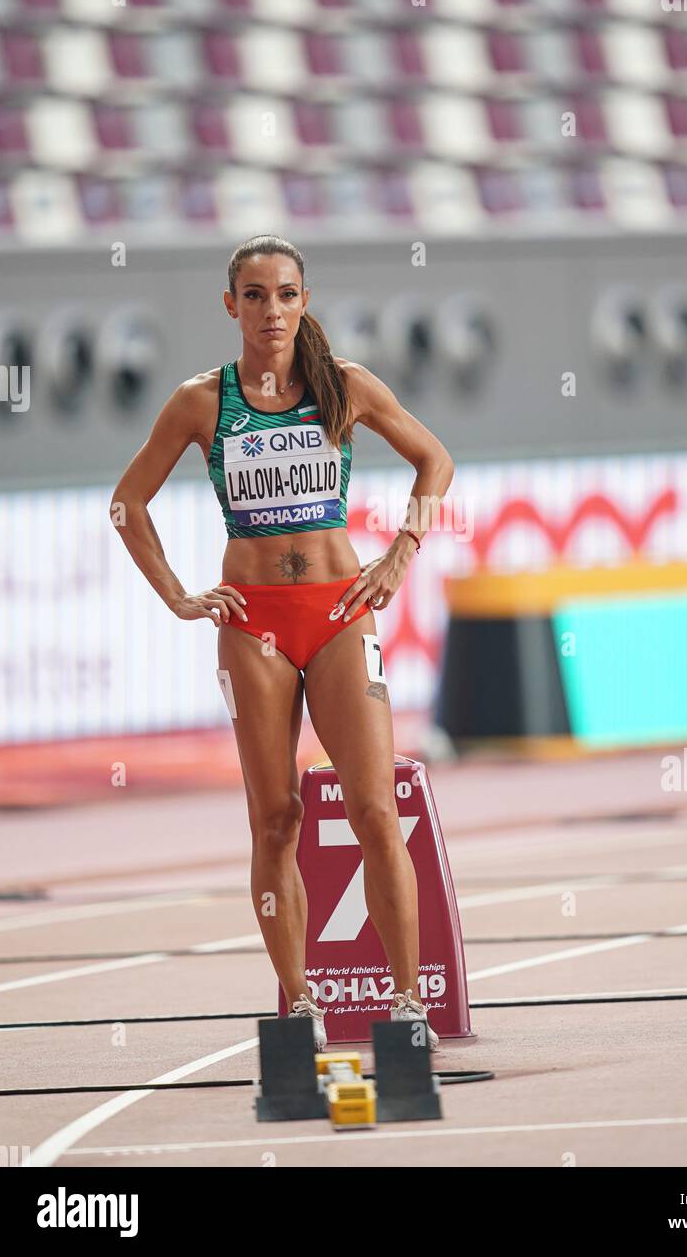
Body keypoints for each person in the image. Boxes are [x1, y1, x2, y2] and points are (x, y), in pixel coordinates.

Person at [110, 234, 454, 1053]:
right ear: (231, 306)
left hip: (339, 614)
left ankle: (407, 1009)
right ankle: (299, 1009)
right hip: (253, 625)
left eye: (287, 294)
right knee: (275, 820)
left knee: (376, 810)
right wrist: (179, 597)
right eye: (256, 295)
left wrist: (403, 552)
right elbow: (129, 503)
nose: (273, 310)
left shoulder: (347, 387)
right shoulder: (204, 401)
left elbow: (435, 461)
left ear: (306, 300)